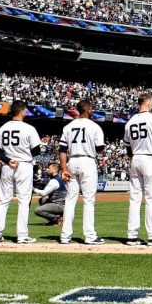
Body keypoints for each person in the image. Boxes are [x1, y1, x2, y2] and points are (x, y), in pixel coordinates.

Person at [0, 101, 44, 244]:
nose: (26, 112)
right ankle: (22, 235)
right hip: (24, 165)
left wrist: (8, 160)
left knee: (3, 200)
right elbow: (36, 150)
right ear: (21, 112)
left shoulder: (2, 128)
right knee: (23, 201)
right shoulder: (29, 128)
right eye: (25, 110)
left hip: (8, 165)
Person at [123, 93, 152, 246]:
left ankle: (132, 235)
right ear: (148, 103)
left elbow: (128, 149)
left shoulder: (130, 121)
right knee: (151, 199)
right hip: (150, 158)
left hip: (136, 158)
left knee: (135, 199)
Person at [59, 100, 105, 244]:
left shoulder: (68, 126)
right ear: (89, 110)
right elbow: (100, 148)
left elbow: (62, 149)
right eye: (91, 108)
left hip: (72, 161)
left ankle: (65, 236)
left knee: (70, 200)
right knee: (89, 200)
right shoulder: (95, 126)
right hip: (87, 161)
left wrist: (64, 168)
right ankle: (90, 236)